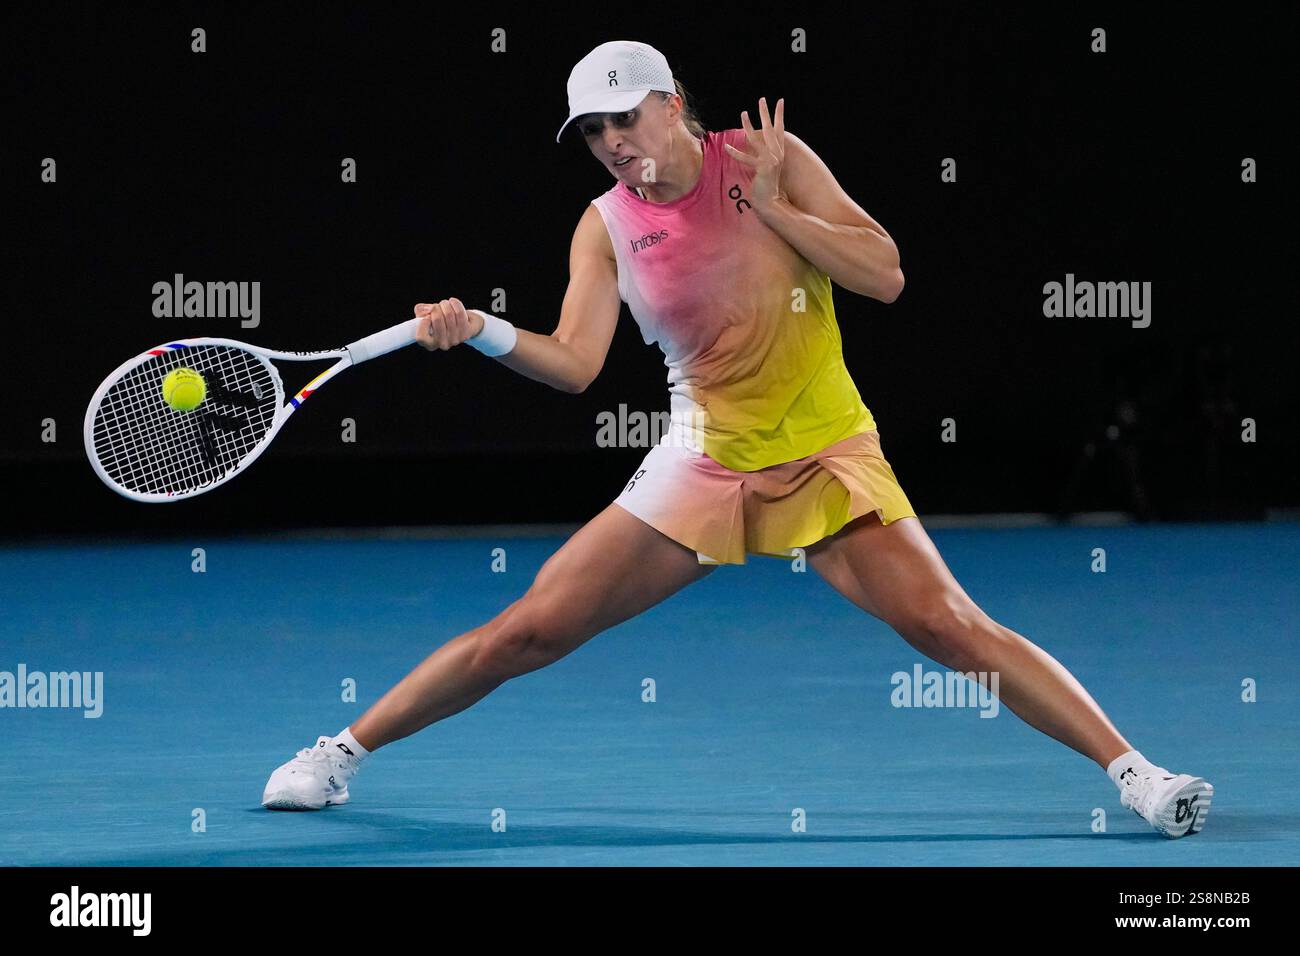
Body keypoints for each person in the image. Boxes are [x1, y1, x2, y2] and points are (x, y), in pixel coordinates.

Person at [262, 40, 1211, 839]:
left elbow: (885, 275)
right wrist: (482, 332)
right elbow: (576, 363)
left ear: (674, 105)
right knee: (530, 629)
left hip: (828, 451)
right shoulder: (603, 227)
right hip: (704, 458)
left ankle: (1137, 774)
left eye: (626, 118)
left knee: (948, 626)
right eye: (593, 132)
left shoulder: (771, 157)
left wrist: (777, 207)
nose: (613, 144)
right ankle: (338, 754)